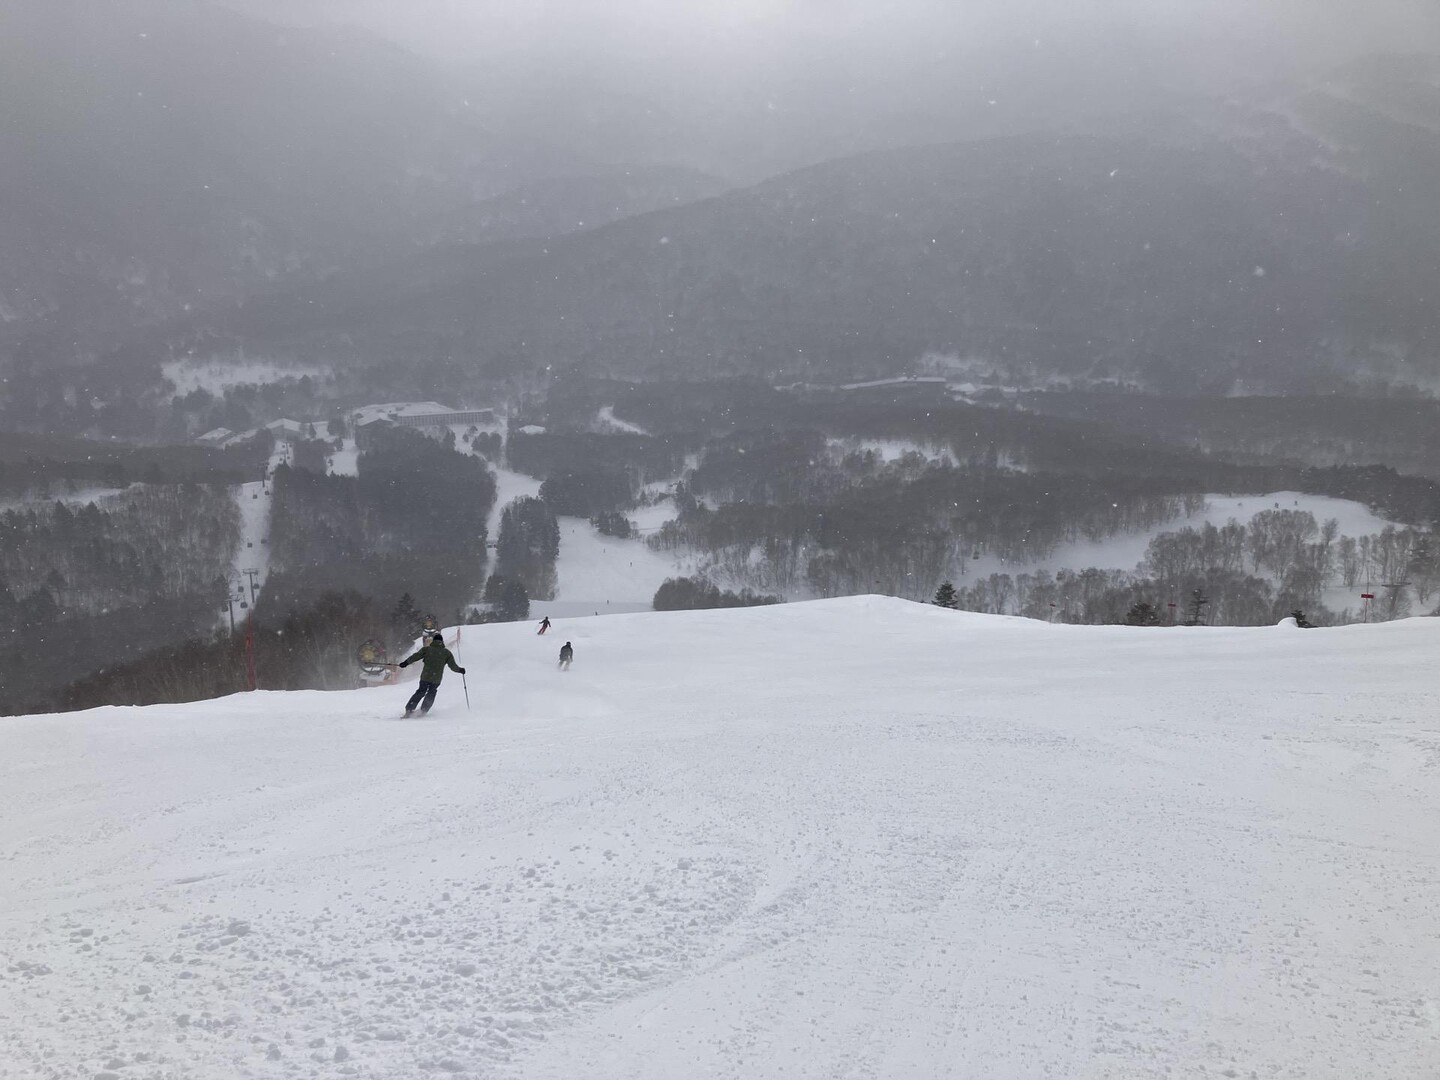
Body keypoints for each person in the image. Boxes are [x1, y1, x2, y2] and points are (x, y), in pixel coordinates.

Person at [397, 632, 465, 717]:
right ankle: (423, 711)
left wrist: (405, 663)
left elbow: (415, 657)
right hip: (436, 678)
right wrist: (460, 670)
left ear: (433, 641)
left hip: (425, 676)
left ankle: (409, 709)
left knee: (421, 691)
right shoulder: (447, 653)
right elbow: (453, 666)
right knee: (431, 693)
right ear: (442, 642)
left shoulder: (427, 649)